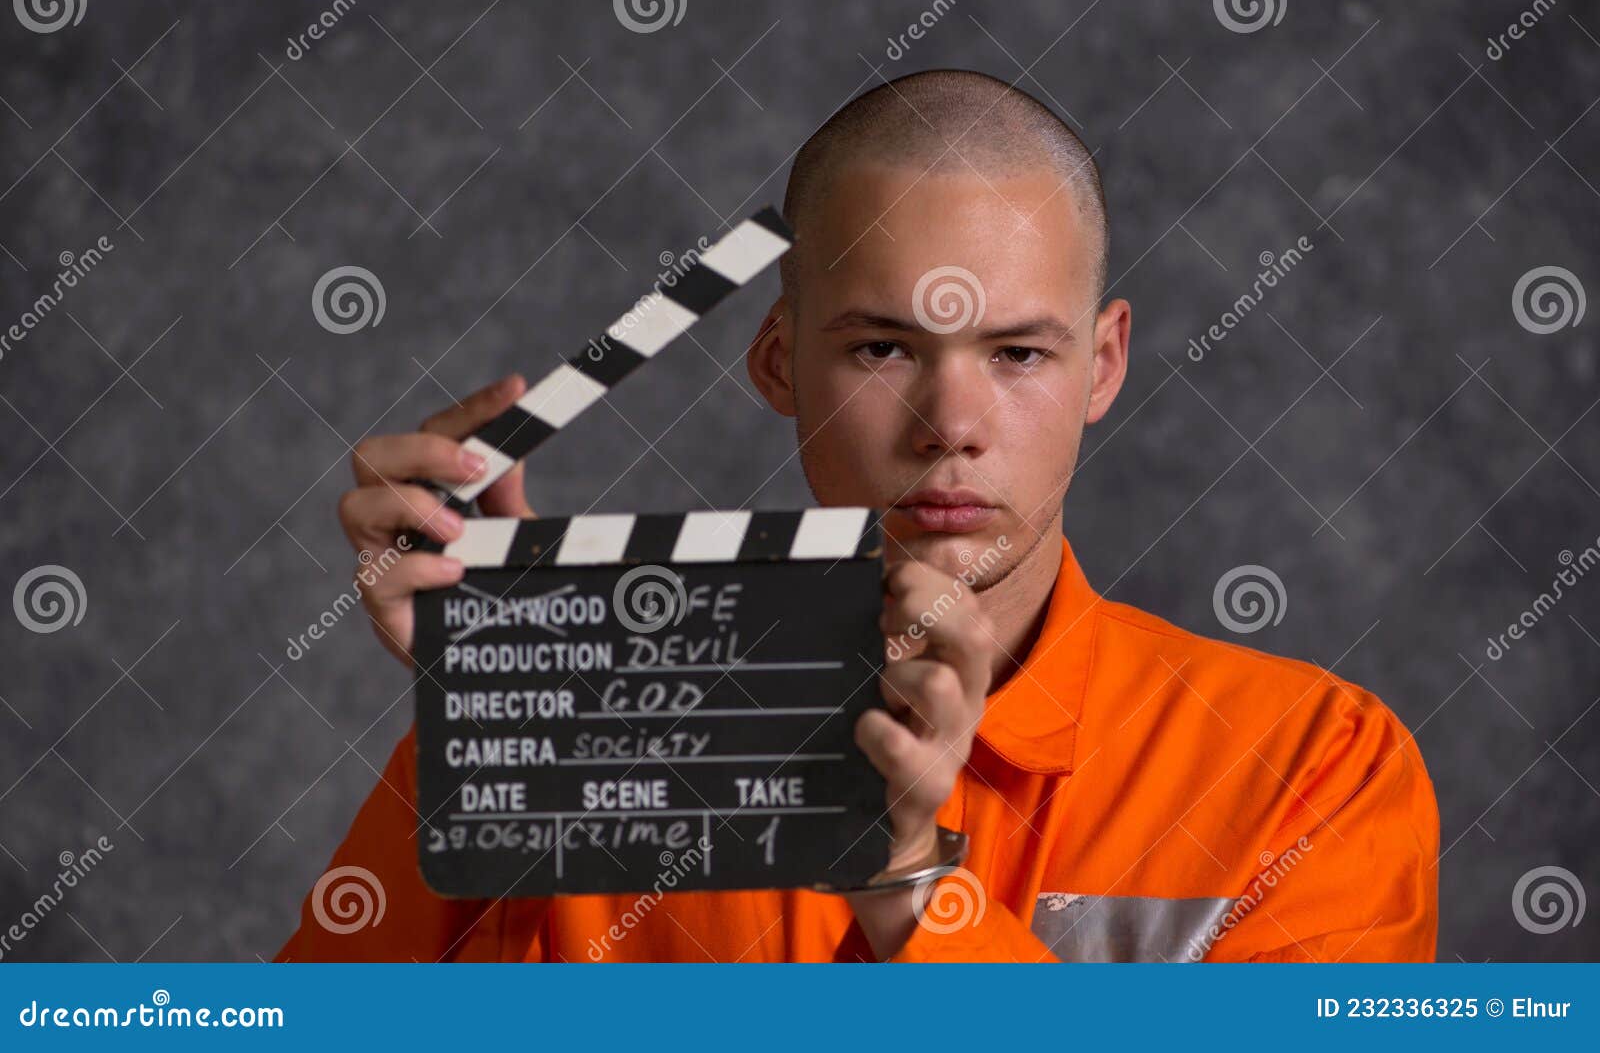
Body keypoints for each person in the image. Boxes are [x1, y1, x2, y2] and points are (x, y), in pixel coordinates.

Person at [278, 69, 1438, 962]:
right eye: (883, 347)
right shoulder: (576, 731)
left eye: (1019, 353)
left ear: (1102, 363)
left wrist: (909, 884)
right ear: (779, 362)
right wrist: (508, 700)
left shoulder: (1311, 769)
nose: (950, 423)